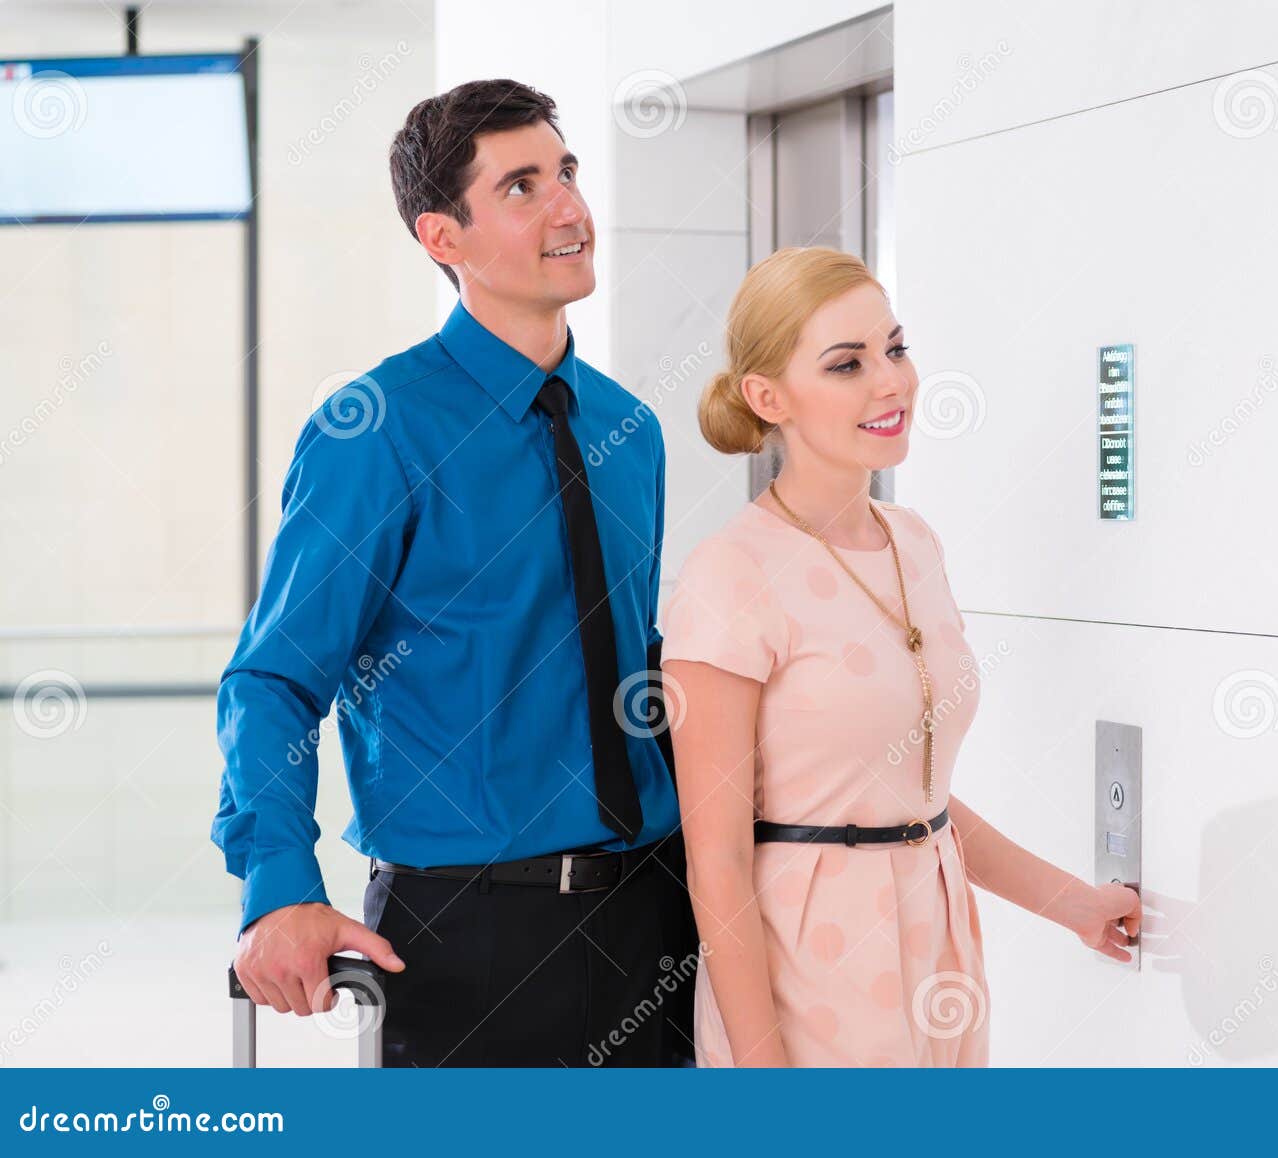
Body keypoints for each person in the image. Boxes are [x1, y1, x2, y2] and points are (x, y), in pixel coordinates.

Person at [212, 78, 698, 1067]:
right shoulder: (377, 430)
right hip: (471, 938)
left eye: (566, 172)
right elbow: (273, 680)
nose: (568, 206)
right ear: (443, 237)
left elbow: (637, 660)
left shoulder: (629, 432)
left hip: (655, 920)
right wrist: (282, 885)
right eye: (521, 186)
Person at [659, 246, 1142, 1066]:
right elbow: (716, 864)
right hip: (805, 971)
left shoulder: (914, 543)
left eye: (895, 347)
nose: (891, 381)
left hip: (940, 947)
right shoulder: (730, 576)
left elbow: (916, 806)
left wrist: (1076, 906)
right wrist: (762, 1074)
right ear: (767, 397)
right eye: (847, 364)